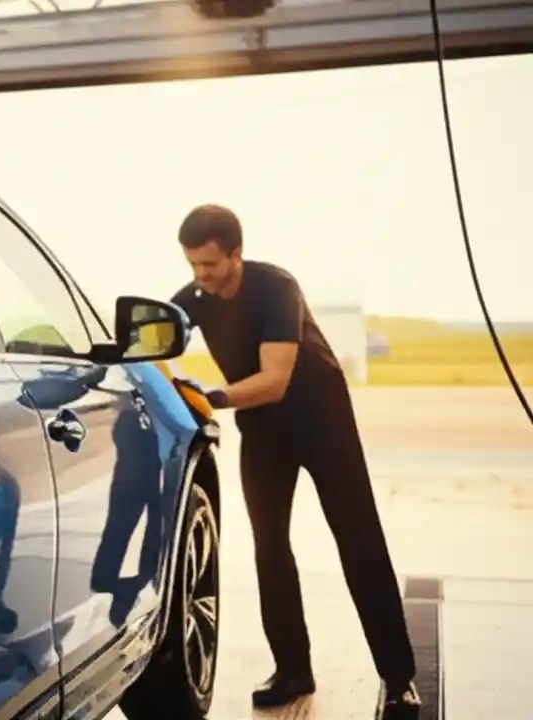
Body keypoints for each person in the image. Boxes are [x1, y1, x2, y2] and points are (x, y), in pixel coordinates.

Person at [167, 204, 421, 718]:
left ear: (236, 254)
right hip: (263, 431)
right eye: (192, 266)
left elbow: (274, 380)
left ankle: (399, 679)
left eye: (210, 266)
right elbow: (152, 335)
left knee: (360, 541)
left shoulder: (276, 288)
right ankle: (292, 669)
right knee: (270, 549)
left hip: (321, 421)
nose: (201, 277)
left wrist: (209, 398)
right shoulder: (195, 295)